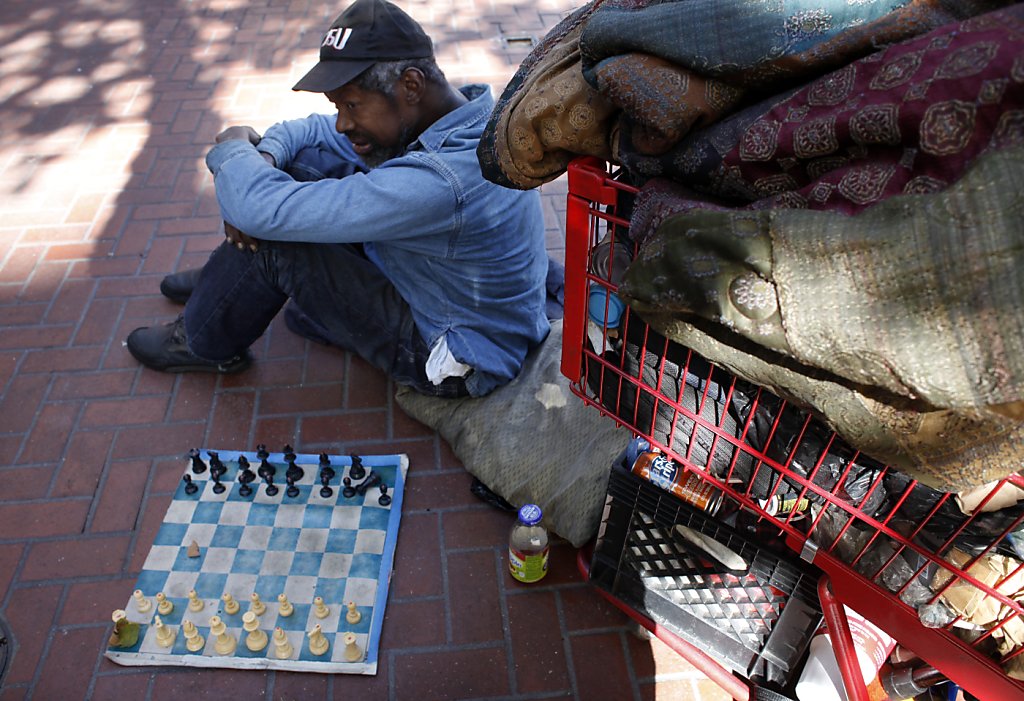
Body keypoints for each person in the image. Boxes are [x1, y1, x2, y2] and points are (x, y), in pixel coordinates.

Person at [126, 0, 550, 398]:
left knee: (277, 240)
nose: (343, 121)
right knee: (303, 164)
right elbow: (312, 131)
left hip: (455, 357)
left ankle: (203, 342)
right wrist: (268, 155)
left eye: (351, 104)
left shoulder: (445, 180)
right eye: (338, 105)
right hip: (441, 294)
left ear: (411, 85)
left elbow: (260, 210)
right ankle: (230, 278)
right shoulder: (453, 116)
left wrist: (235, 147)